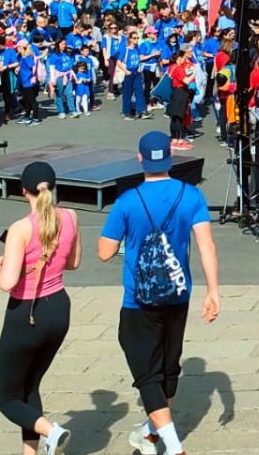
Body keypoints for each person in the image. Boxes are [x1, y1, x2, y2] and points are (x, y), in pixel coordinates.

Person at [97, 131, 219, 455]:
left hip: (138, 300)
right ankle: (151, 434)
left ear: (139, 158)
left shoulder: (127, 201)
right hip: (178, 294)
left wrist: (132, 242)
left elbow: (104, 252)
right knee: (169, 366)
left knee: (147, 374)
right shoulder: (191, 196)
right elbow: (206, 245)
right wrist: (213, 291)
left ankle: (174, 447)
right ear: (170, 156)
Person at [0, 161, 79, 455]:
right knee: (30, 386)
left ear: (23, 191)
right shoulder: (70, 217)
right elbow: (73, 263)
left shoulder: (20, 229)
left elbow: (8, 282)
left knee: (6, 397)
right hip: (59, 309)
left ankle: (52, 431)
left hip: (26, 313)